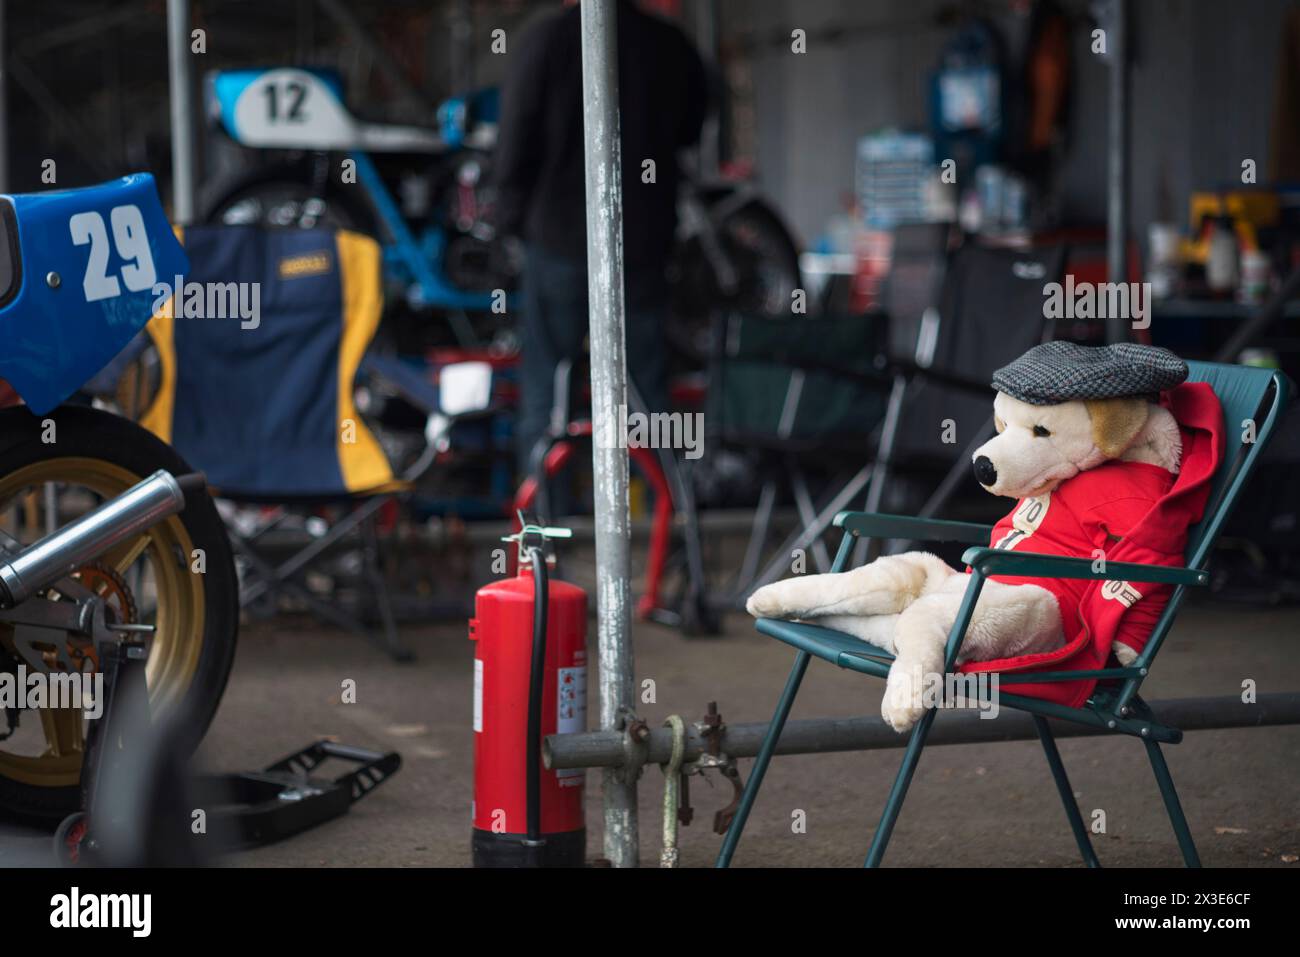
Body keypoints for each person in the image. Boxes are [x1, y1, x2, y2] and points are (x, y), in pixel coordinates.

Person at [494, 0, 708, 475]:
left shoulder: (545, 40)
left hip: (558, 238)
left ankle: (545, 509)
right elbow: (693, 124)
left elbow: (515, 138)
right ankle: (663, 506)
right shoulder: (667, 43)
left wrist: (509, 219)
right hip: (642, 240)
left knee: (550, 388)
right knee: (646, 387)